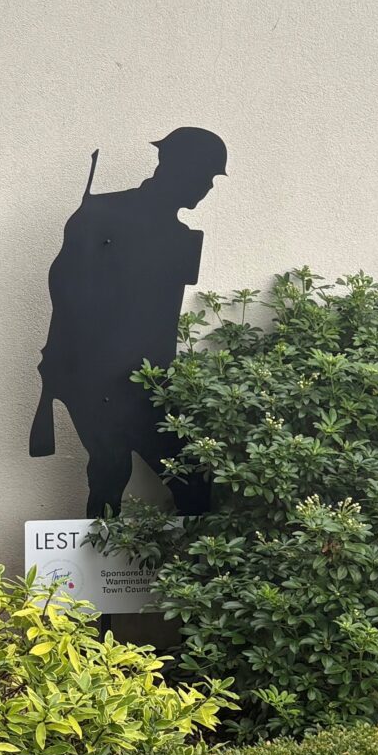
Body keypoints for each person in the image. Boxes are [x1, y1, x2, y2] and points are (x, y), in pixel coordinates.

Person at [28, 128, 226, 517]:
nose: (207, 188)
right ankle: (94, 572)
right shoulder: (103, 213)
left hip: (150, 380)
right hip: (96, 376)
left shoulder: (179, 236)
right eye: (205, 176)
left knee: (190, 482)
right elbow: (64, 288)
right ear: (179, 168)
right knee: (109, 470)